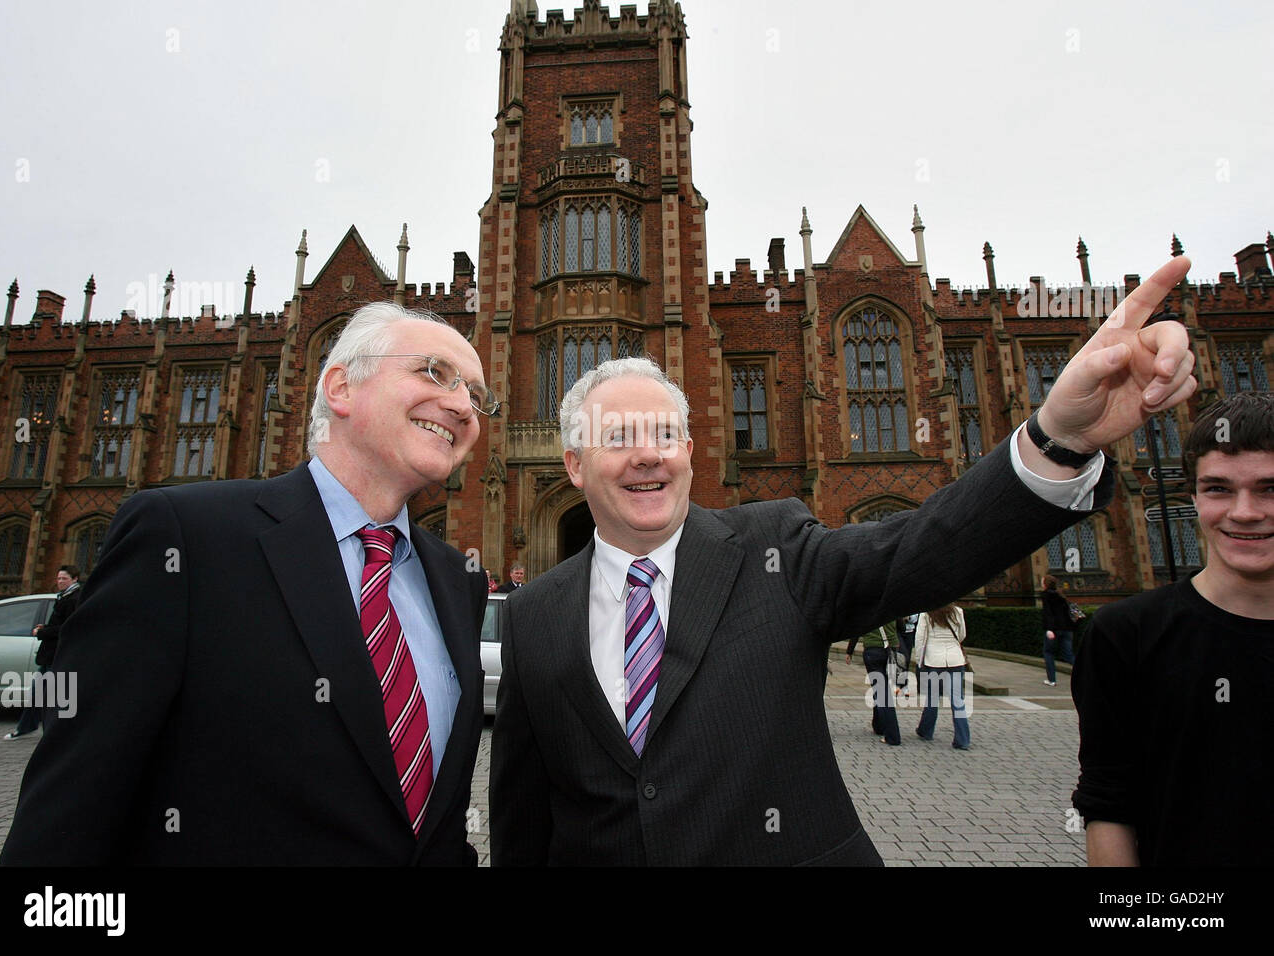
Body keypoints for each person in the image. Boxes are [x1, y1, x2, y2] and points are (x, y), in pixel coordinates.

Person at [490, 254, 1198, 866]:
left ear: (689, 450)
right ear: (575, 466)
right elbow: (524, 822)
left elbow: (928, 547)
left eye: (665, 433)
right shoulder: (533, 615)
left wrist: (1058, 437)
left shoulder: (775, 551)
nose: (647, 453)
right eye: (621, 437)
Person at [0, 302, 494, 865]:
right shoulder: (184, 536)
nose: (462, 406)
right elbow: (72, 805)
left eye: (478, 398)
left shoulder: (458, 580)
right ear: (341, 388)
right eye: (433, 372)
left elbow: (436, 822)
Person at [1072, 391, 1274, 866]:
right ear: (1196, 496)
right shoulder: (1125, 635)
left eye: (1270, 488)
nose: (1245, 512)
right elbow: (1108, 805)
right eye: (1219, 489)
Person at [4, 565, 81, 740]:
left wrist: (42, 632)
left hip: (58, 653)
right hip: (51, 654)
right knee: (40, 693)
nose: (60, 581)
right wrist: (45, 628)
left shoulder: (72, 599)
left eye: (64, 578)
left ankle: (53, 734)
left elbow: (68, 627)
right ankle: (27, 728)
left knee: (53, 696)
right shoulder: (65, 597)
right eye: (59, 578)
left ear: (74, 579)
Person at [913, 603, 971, 750]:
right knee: (957, 701)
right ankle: (962, 739)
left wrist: (919, 660)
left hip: (934, 660)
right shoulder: (958, 611)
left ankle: (926, 730)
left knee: (932, 698)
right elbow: (962, 634)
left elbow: (920, 639)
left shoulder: (926, 613)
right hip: (955, 658)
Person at [846, 620, 902, 745]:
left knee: (881, 693)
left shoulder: (868, 606)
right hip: (891, 650)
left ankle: (892, 736)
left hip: (873, 650)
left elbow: (857, 630)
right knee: (883, 689)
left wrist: (850, 651)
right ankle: (879, 725)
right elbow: (902, 626)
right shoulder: (891, 604)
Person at [1039, 574, 1077, 686]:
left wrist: (1049, 629)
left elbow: (1048, 613)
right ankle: (1088, 673)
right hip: (1067, 629)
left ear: (1045, 584)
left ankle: (1052, 680)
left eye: (1042, 582)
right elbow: (1070, 613)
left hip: (1054, 629)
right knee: (1068, 655)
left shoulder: (1046, 595)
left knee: (1048, 652)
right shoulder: (1061, 595)